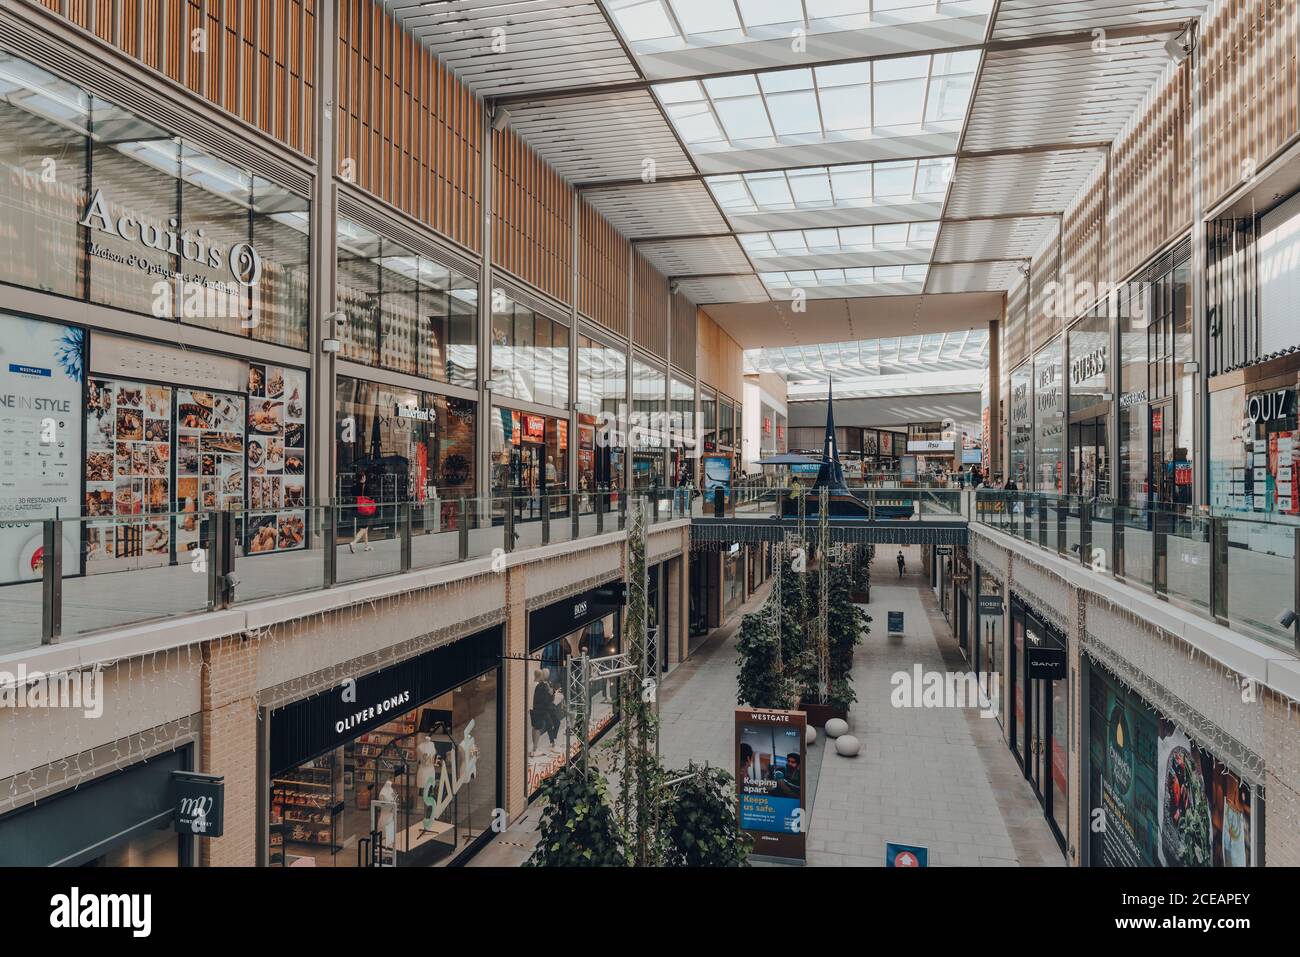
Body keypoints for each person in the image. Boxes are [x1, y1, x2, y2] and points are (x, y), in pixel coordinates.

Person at [349, 472, 375, 553]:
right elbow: (371, 497)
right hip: (365, 509)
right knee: (363, 528)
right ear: (363, 478)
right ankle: (353, 543)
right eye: (364, 477)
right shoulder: (366, 487)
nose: (365, 478)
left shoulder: (353, 487)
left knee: (364, 527)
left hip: (356, 508)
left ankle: (366, 546)